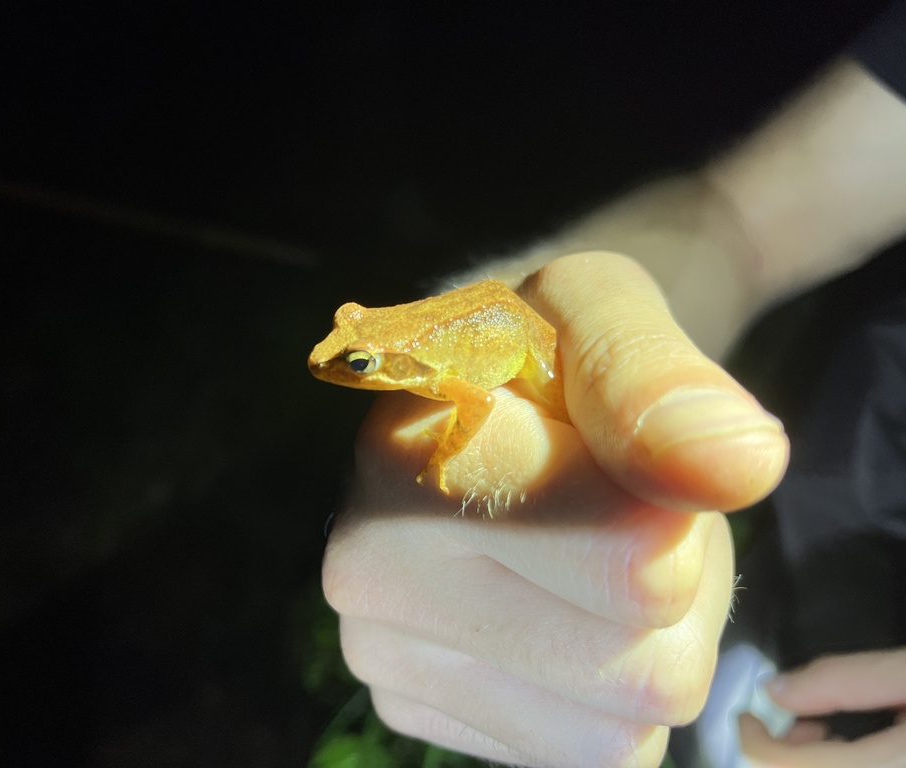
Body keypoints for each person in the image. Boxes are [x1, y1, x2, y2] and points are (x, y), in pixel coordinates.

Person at [320, 4, 906, 766]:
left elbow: (465, 402)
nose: (333, 363)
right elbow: (741, 224)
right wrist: (588, 309)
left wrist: (452, 447)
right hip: (790, 597)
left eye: (354, 362)